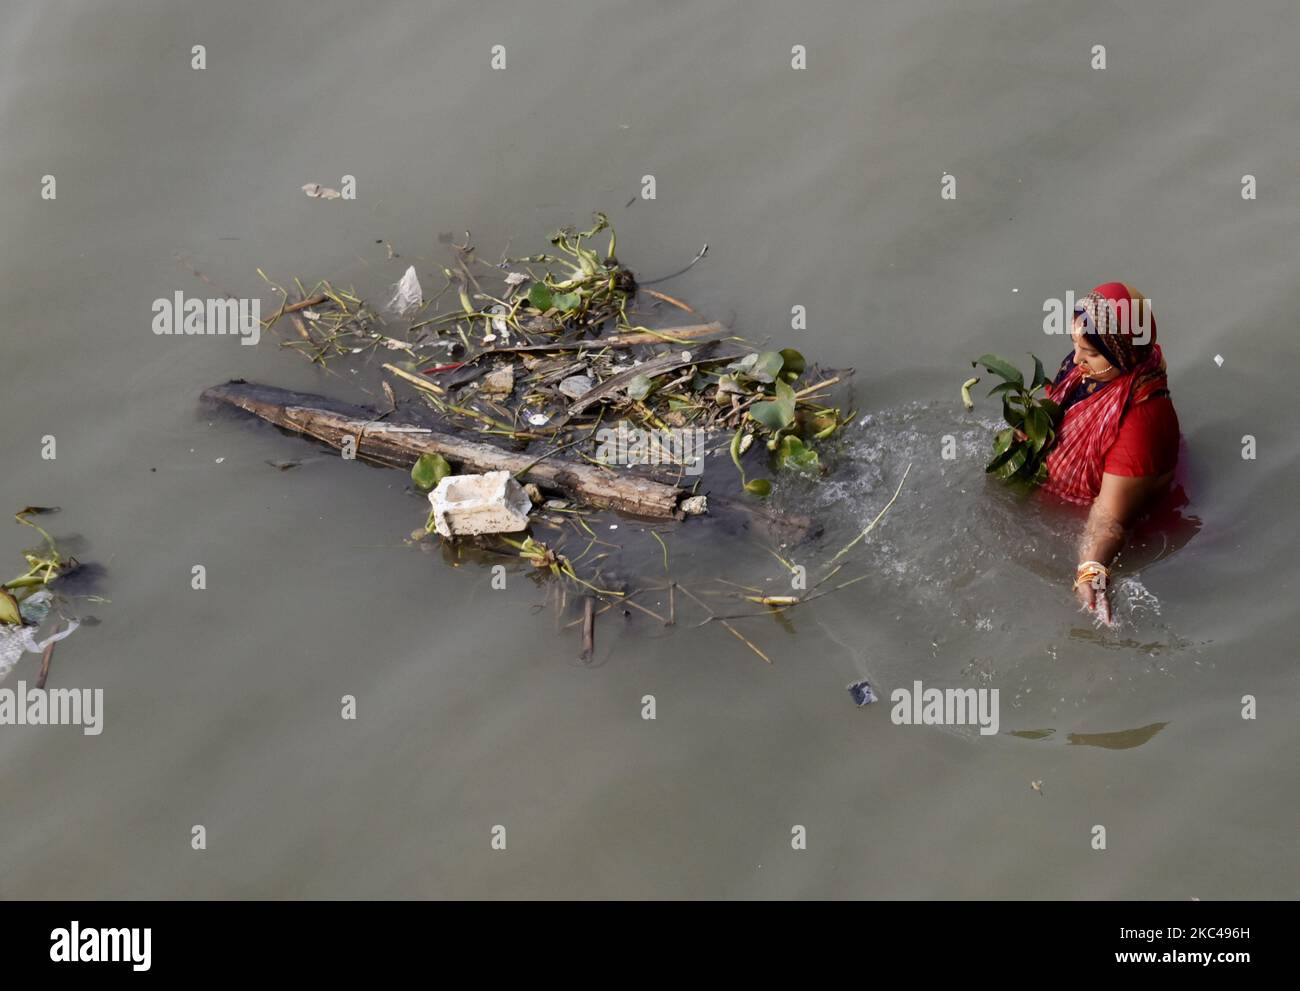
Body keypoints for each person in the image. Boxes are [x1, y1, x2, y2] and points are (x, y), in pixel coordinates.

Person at [1039, 282, 1180, 623]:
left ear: (1124, 353)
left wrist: (1091, 569)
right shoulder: (1086, 370)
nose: (1076, 361)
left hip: (1140, 518)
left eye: (1089, 353)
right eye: (1075, 346)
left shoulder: (1142, 420)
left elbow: (1109, 517)